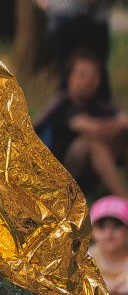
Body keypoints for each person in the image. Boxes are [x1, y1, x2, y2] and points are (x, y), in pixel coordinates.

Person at [33, 50, 128, 197]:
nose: (88, 81)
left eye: (94, 76)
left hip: (88, 172)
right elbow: (90, 127)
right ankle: (123, 200)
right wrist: (116, 124)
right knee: (91, 141)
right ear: (70, 77)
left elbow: (123, 120)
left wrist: (119, 125)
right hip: (58, 175)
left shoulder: (98, 103)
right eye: (83, 75)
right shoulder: (60, 104)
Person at [89, 195, 128, 295]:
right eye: (102, 226)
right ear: (92, 230)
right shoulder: (89, 256)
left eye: (116, 225)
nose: (109, 232)